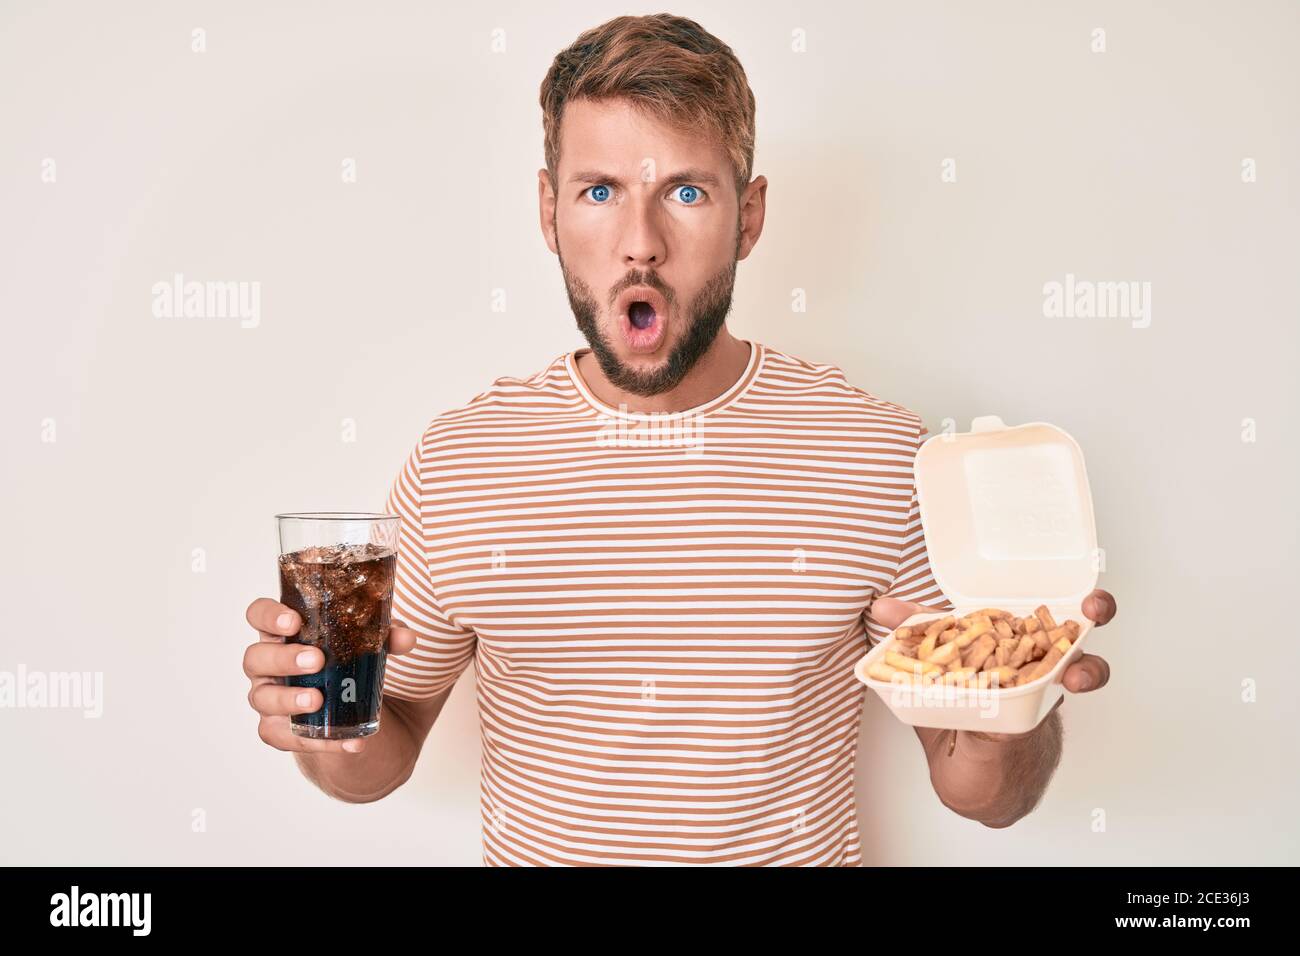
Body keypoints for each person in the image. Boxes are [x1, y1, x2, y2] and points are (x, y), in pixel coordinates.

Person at [243, 13, 1118, 866]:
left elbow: (985, 795)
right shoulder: (460, 465)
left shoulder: (879, 455)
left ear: (749, 215)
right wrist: (318, 718)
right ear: (548, 212)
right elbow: (376, 762)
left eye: (686, 193)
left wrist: (1018, 704)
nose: (640, 245)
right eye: (599, 192)